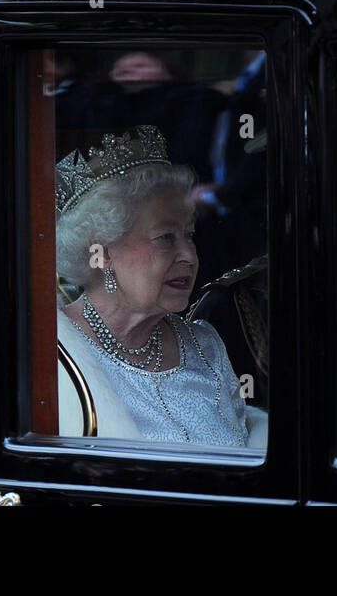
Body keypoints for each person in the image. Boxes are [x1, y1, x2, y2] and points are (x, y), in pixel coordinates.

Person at [53, 125, 267, 448]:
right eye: (165, 237)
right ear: (103, 252)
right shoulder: (55, 353)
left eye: (189, 235)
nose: (189, 256)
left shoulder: (206, 346)